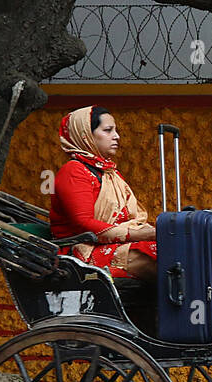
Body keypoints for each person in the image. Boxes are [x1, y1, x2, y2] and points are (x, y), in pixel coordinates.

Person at [49, 105, 156, 282]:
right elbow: (84, 224)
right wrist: (139, 234)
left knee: (178, 249)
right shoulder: (74, 171)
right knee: (169, 259)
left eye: (115, 130)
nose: (116, 136)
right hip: (83, 252)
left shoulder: (109, 173)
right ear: (86, 136)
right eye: (108, 130)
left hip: (114, 244)